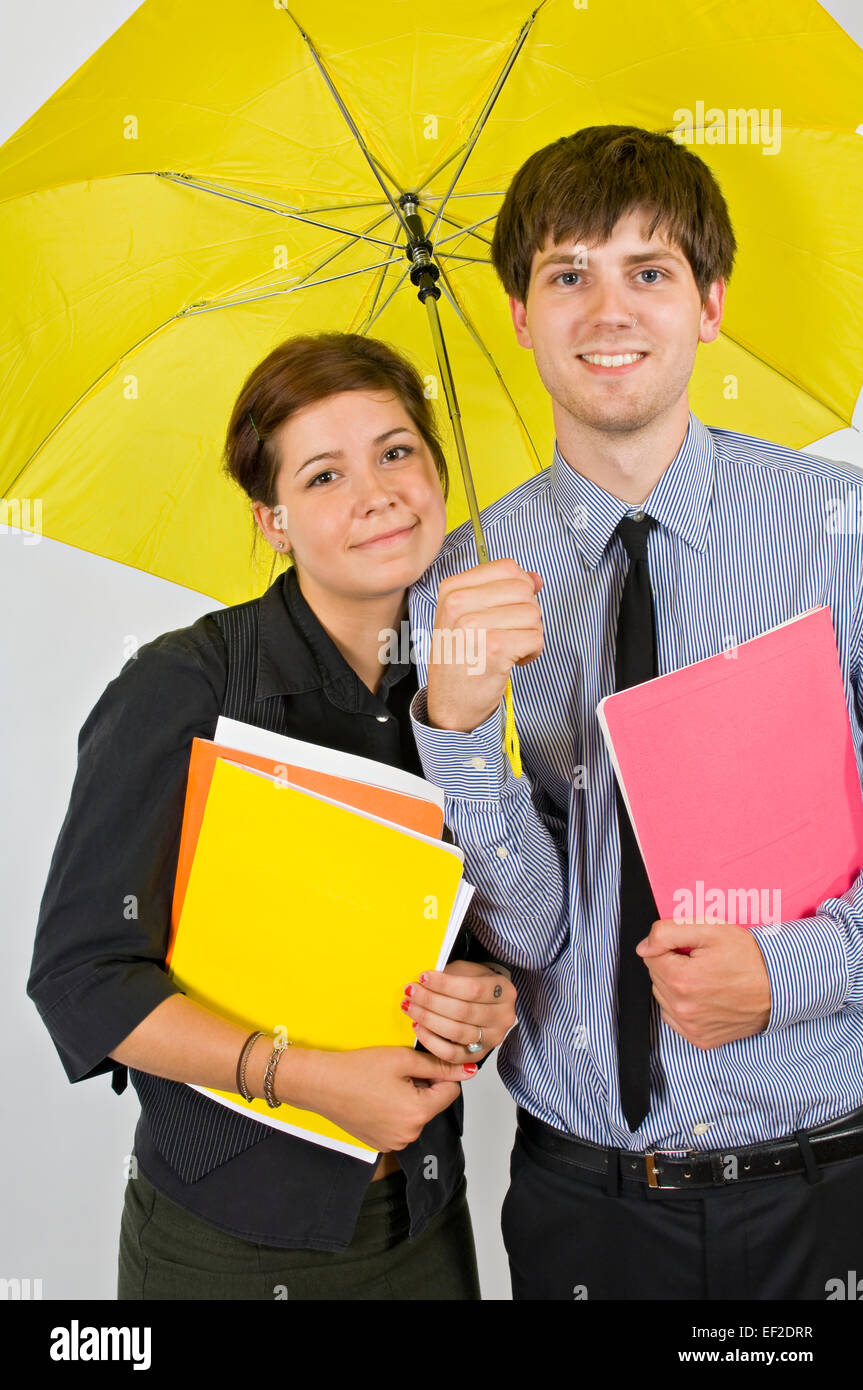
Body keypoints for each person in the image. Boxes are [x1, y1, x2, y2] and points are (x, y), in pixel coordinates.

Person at [404, 125, 863, 1300]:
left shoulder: (840, 532)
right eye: (567, 275)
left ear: (706, 304)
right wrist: (455, 728)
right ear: (519, 315)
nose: (606, 310)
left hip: (820, 1190)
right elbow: (535, 934)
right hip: (581, 1205)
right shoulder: (458, 579)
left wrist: (791, 965)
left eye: (646, 272)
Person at [26, 331, 516, 1301]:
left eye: (395, 450)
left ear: (436, 468)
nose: (376, 491)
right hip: (231, 1240)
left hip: (422, 1211)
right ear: (273, 521)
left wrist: (485, 991)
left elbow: (474, 923)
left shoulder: (466, 678)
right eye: (324, 473)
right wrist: (297, 1075)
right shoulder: (185, 685)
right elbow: (81, 977)